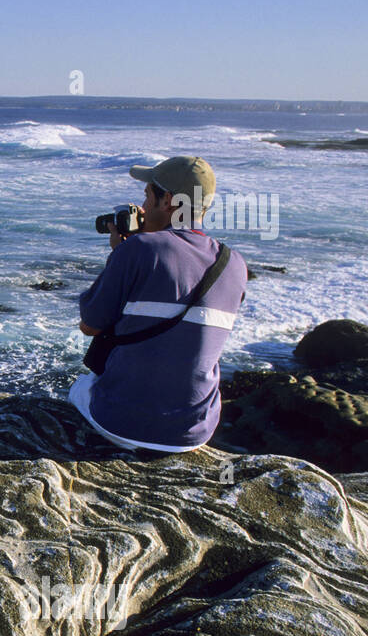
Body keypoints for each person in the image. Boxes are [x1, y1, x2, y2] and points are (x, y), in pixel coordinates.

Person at [70, 155, 248, 452]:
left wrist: (121, 254)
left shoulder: (137, 250)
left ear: (166, 200)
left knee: (79, 387)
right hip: (194, 433)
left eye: (147, 194)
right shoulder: (234, 263)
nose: (143, 203)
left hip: (120, 423)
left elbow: (89, 325)